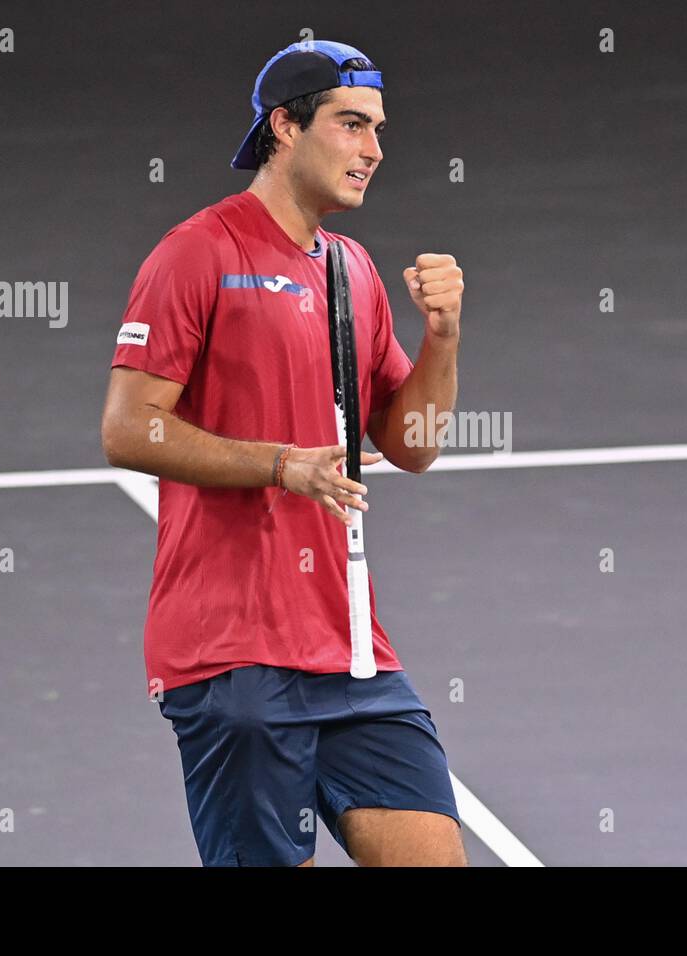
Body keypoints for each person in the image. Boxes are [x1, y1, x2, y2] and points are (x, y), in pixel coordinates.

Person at [100, 40, 466, 866]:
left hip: (351, 653)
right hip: (234, 659)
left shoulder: (353, 270)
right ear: (284, 128)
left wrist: (442, 337)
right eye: (351, 124)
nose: (373, 149)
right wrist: (280, 465)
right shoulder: (197, 253)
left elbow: (411, 447)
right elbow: (128, 428)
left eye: (378, 129)